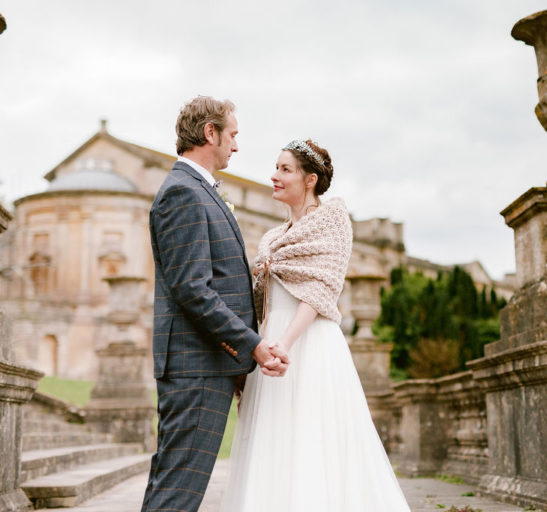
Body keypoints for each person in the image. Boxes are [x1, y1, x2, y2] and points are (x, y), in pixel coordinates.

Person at [219, 139, 411, 511]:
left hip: (309, 343)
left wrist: (285, 345)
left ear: (309, 180)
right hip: (269, 345)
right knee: (272, 441)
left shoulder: (333, 222)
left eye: (284, 169)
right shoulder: (271, 237)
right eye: (275, 168)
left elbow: (321, 291)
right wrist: (260, 348)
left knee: (313, 438)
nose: (274, 176)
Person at [141, 96, 289, 512]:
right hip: (195, 366)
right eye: (233, 135)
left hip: (208, 364)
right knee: (178, 491)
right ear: (211, 133)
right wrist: (252, 346)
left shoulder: (197, 190)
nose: (236, 147)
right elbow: (193, 289)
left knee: (177, 486)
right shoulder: (182, 193)